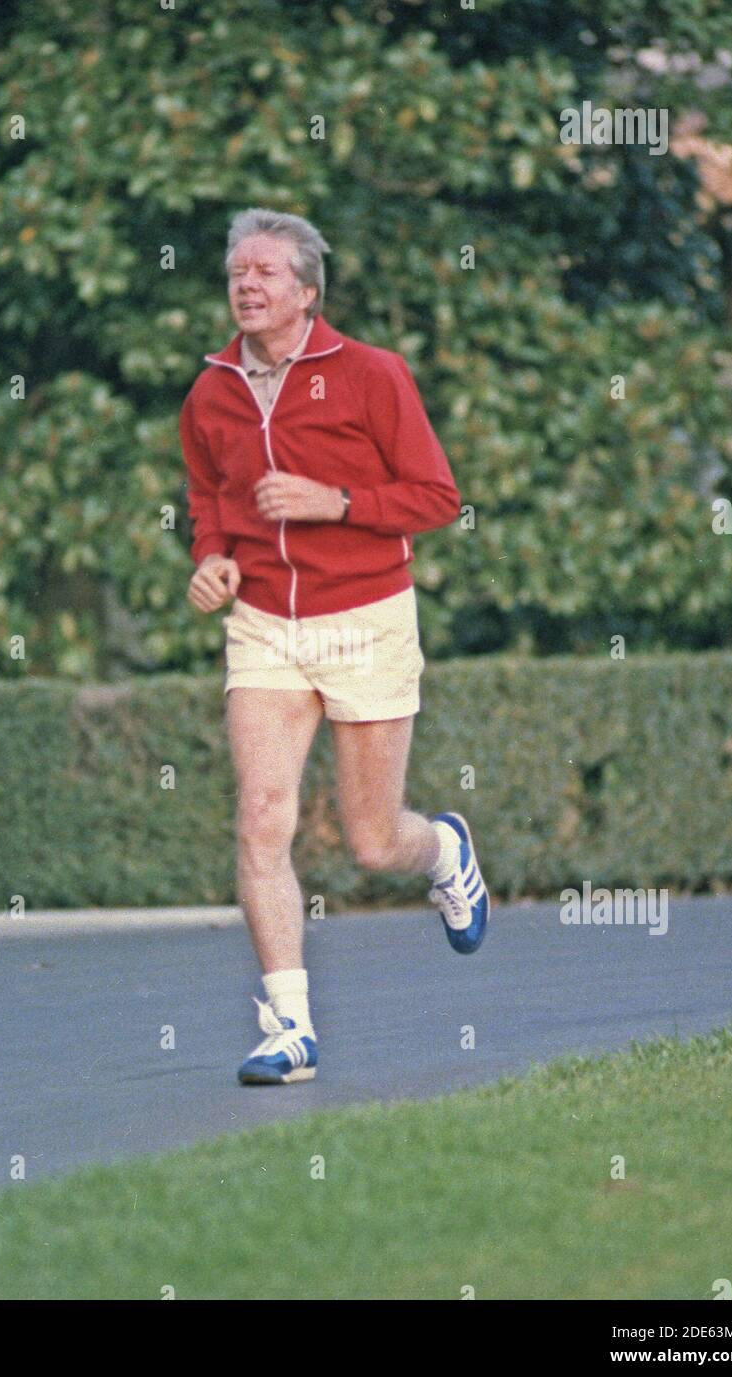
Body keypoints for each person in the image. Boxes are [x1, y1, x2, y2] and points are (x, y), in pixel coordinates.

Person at [181, 208, 489, 1085]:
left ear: (308, 293)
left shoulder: (371, 374)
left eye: (266, 272)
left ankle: (443, 851)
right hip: (264, 628)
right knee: (261, 817)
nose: (246, 284)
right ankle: (290, 1030)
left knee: (371, 843)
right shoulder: (210, 392)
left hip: (366, 617)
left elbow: (437, 497)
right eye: (237, 271)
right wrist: (212, 559)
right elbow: (210, 496)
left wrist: (337, 503)